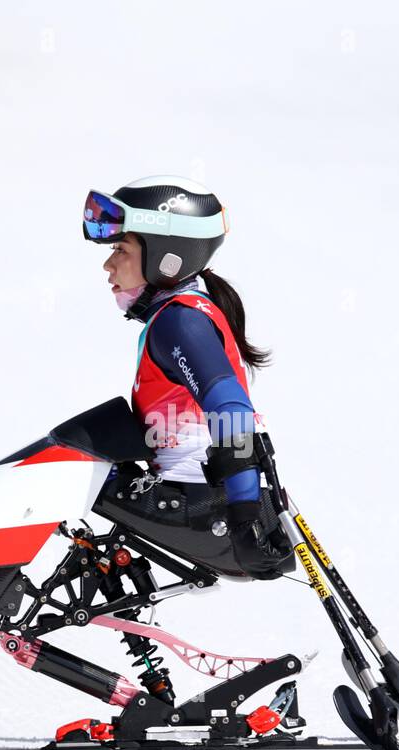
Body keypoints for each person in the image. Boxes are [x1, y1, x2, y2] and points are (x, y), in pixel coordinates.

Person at [82, 176, 293, 580]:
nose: (109, 264)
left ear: (167, 258)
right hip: (201, 503)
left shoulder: (179, 321)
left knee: (68, 471)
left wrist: (244, 517)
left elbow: (231, 409)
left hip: (207, 513)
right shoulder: (177, 315)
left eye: (120, 249)